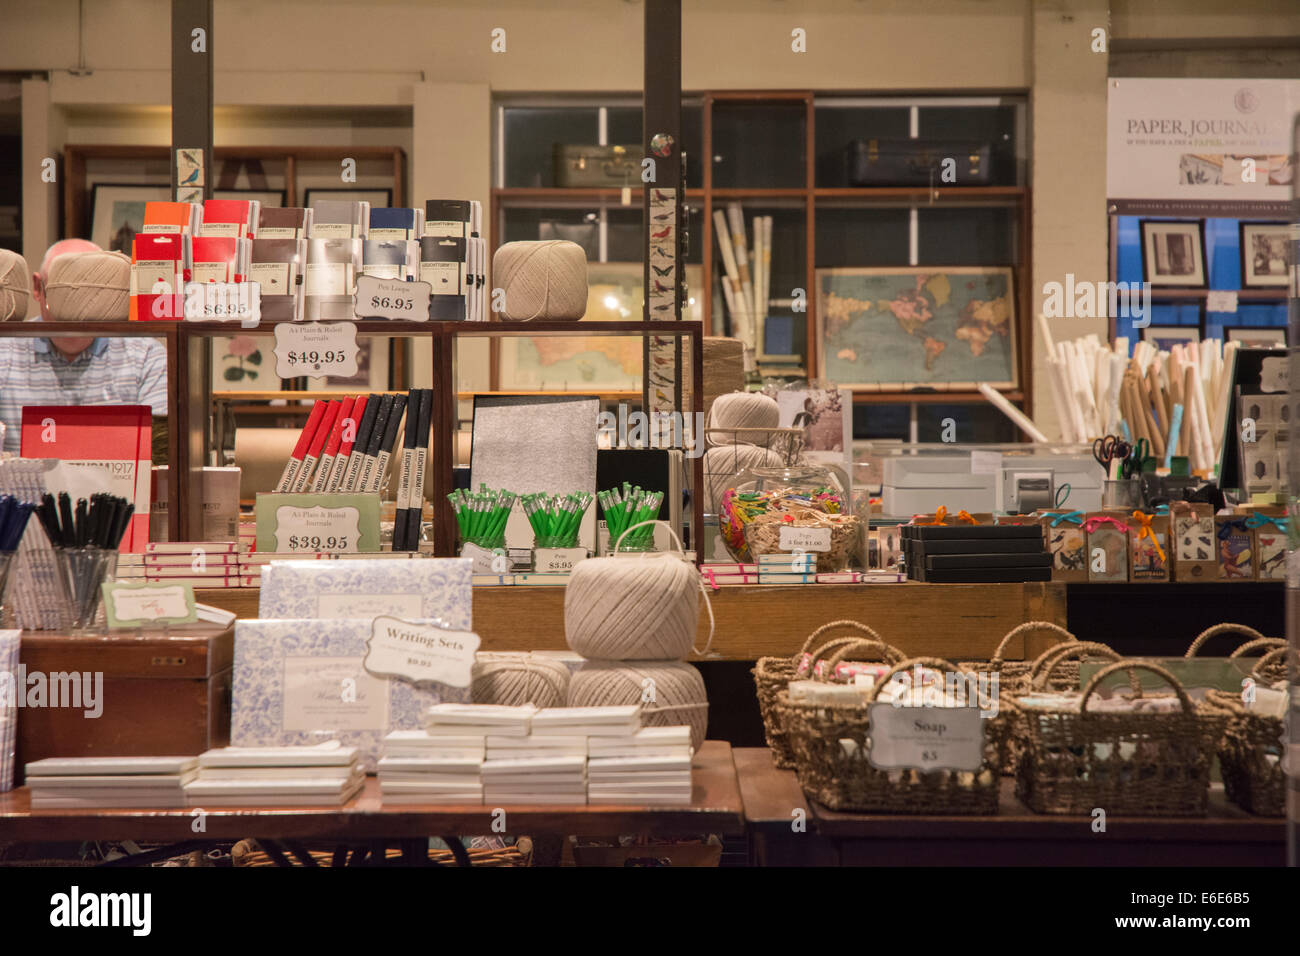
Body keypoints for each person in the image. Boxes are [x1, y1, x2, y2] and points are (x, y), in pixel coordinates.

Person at [0, 239, 168, 455]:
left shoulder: (145, 355)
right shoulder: (4, 351)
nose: (80, 304)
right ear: (38, 288)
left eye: (93, 291)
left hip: (114, 487)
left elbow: (157, 453)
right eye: (66, 290)